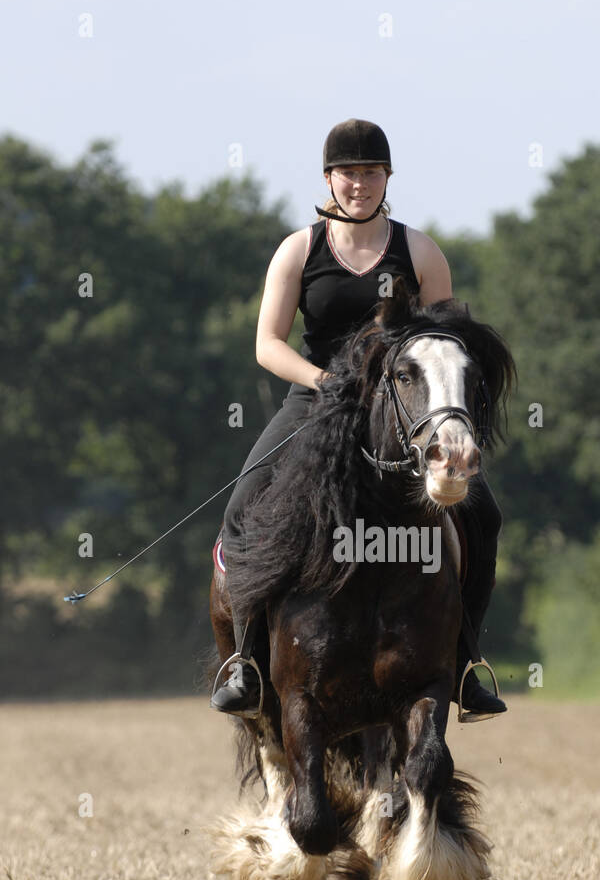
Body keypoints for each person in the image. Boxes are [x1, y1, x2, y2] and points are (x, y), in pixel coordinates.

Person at [211, 118, 506, 719]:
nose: (359, 184)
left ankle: (466, 664)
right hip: (315, 400)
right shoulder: (299, 250)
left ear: (387, 178)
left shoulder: (419, 251)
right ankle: (246, 662)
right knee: (242, 507)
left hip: (402, 409)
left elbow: (442, 340)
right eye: (348, 173)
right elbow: (267, 344)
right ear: (329, 179)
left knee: (484, 516)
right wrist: (324, 381)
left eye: (371, 173)